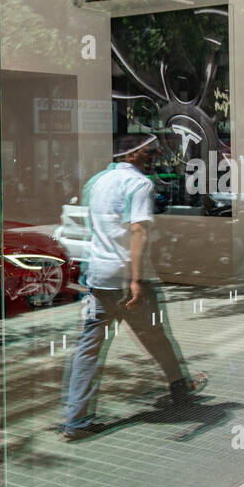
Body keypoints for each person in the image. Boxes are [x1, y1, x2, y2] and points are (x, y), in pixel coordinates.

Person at [58, 133, 204, 441]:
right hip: (127, 277)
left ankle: (76, 421)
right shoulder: (139, 184)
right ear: (130, 154)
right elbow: (138, 231)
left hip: (99, 276)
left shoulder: (96, 182)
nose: (153, 155)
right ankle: (181, 388)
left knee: (89, 349)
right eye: (148, 151)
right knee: (157, 336)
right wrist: (136, 280)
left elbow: (94, 229)